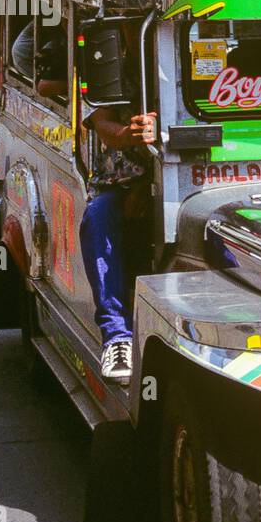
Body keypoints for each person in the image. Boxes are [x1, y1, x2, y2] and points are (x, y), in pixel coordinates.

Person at [78, 24, 156, 381]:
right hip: (121, 182)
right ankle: (116, 336)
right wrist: (130, 135)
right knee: (97, 216)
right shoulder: (104, 58)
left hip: (195, 178)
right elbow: (100, 122)